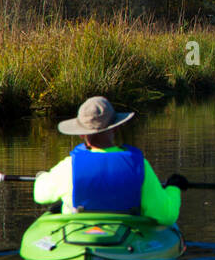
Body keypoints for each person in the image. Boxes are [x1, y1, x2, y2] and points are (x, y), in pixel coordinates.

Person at [33, 96, 182, 223]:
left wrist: (42, 177)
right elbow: (167, 215)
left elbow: (40, 195)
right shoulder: (139, 165)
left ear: (81, 134)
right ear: (116, 127)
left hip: (76, 235)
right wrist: (174, 188)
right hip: (126, 237)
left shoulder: (69, 166)